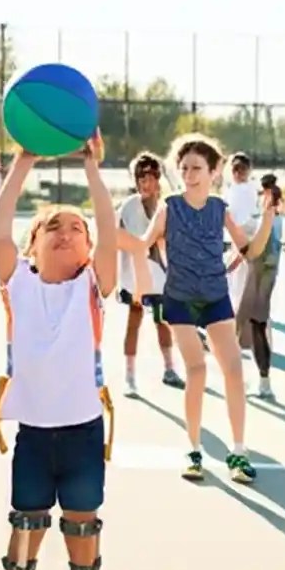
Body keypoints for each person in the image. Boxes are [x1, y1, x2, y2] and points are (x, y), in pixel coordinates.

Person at [0, 136, 117, 570]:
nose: (66, 233)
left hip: (83, 432)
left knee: (83, 528)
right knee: (26, 527)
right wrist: (24, 159)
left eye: (76, 229)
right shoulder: (18, 282)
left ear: (89, 247)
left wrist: (93, 170)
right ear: (33, 246)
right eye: (52, 227)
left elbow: (108, 224)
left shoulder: (93, 285)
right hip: (35, 435)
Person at [122, 132, 277, 484]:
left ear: (214, 171)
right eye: (184, 167)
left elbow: (249, 251)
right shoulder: (169, 207)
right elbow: (145, 244)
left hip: (215, 297)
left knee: (234, 370)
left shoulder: (219, 209)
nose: (189, 173)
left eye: (196, 167)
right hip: (179, 299)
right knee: (197, 370)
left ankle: (238, 451)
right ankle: (193, 451)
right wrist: (125, 247)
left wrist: (267, 219)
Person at [115, 151, 184, 397]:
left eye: (150, 178)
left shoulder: (167, 207)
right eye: (140, 179)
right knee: (134, 321)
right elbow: (116, 237)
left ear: (158, 180)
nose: (145, 183)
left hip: (162, 278)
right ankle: (130, 377)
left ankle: (169, 369)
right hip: (135, 277)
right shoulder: (128, 206)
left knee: (162, 321)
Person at [228, 173, 285, 400]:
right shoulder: (272, 219)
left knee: (246, 326)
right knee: (250, 326)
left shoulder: (266, 219)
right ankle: (261, 381)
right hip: (264, 277)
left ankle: (258, 382)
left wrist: (228, 266)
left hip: (258, 277)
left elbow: (249, 250)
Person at [223, 153, 260, 309]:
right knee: (236, 272)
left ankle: (247, 304)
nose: (239, 173)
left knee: (245, 270)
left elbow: (247, 214)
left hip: (247, 233)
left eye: (243, 169)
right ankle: (238, 303)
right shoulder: (231, 189)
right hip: (236, 234)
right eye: (235, 169)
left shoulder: (249, 188)